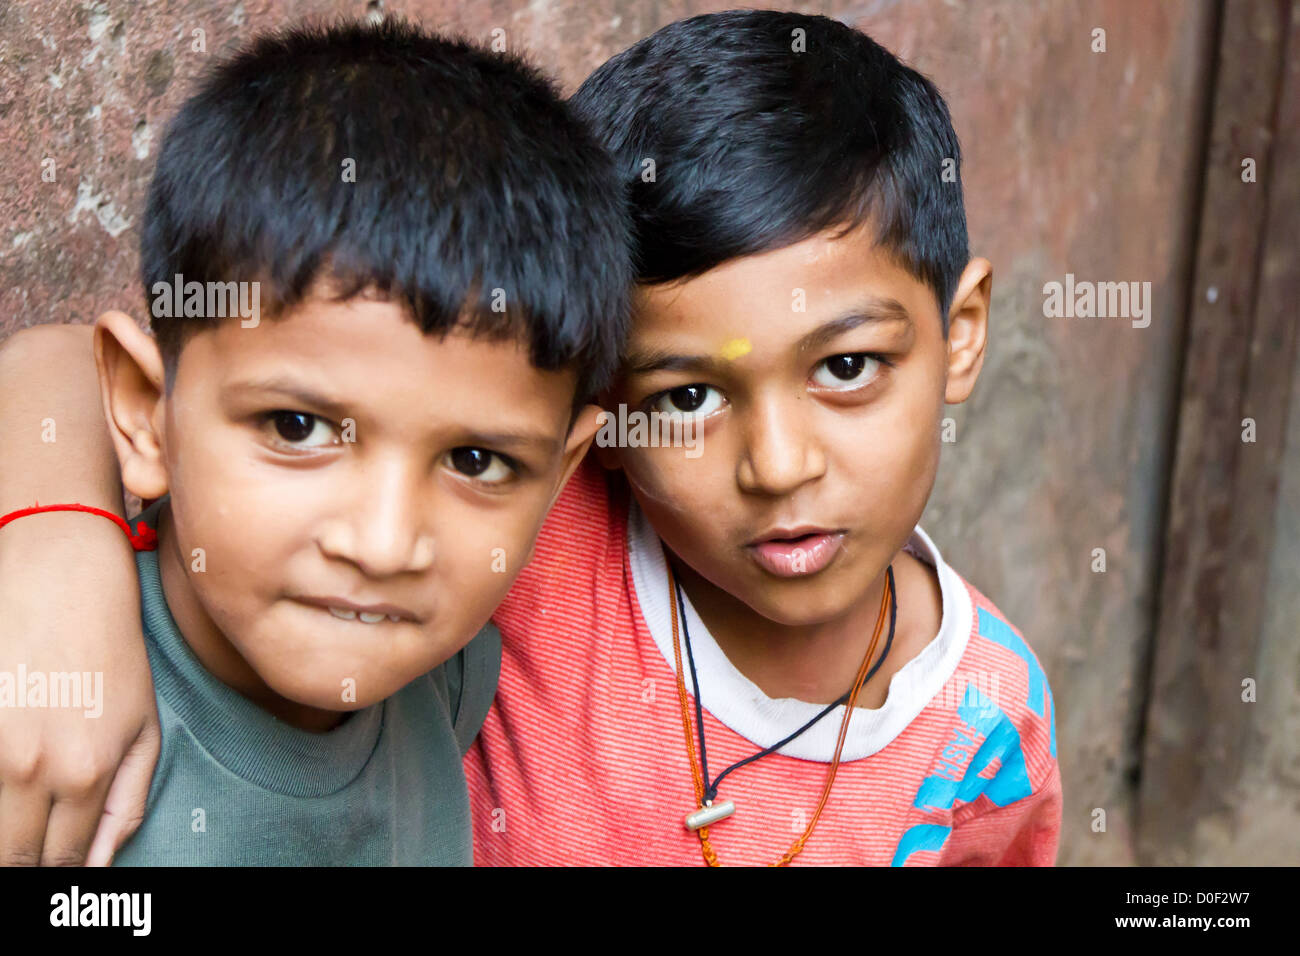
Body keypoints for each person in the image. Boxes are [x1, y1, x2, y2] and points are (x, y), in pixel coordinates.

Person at [0, 10, 1058, 866]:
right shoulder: (521, 576)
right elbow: (64, 367)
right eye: (300, 427)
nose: (382, 537)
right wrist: (51, 546)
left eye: (843, 367)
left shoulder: (988, 726)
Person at [0, 17, 627, 864]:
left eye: (476, 462)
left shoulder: (448, 678)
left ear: (559, 477)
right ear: (147, 410)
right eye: (297, 428)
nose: (382, 543)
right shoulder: (46, 730)